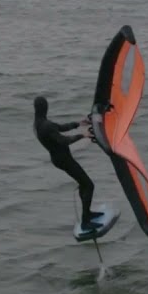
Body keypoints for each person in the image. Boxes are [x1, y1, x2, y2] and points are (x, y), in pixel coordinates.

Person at [33, 95, 103, 229]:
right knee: (89, 185)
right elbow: (64, 140)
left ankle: (87, 214)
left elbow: (60, 127)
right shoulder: (46, 125)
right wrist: (83, 135)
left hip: (58, 159)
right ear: (45, 108)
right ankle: (86, 221)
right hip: (64, 160)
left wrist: (78, 123)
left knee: (84, 184)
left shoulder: (38, 124)